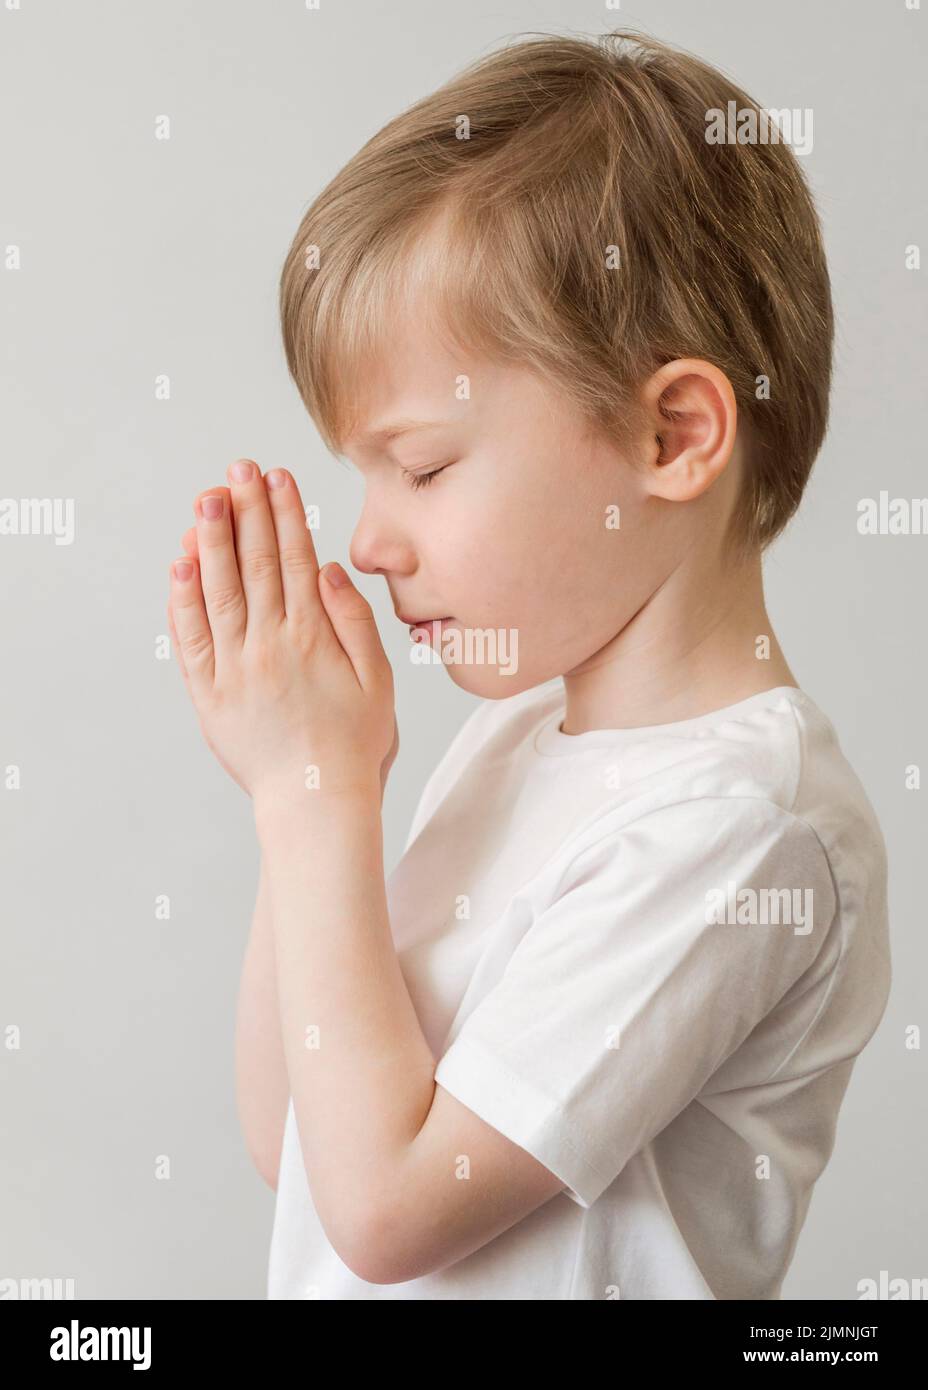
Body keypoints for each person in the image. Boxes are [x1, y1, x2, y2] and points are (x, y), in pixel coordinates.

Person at [185, 30, 891, 1299]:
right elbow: (294, 1140)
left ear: (670, 434)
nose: (369, 537)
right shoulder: (515, 740)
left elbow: (393, 1213)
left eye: (426, 466)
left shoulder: (737, 828)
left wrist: (317, 800)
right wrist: (298, 789)